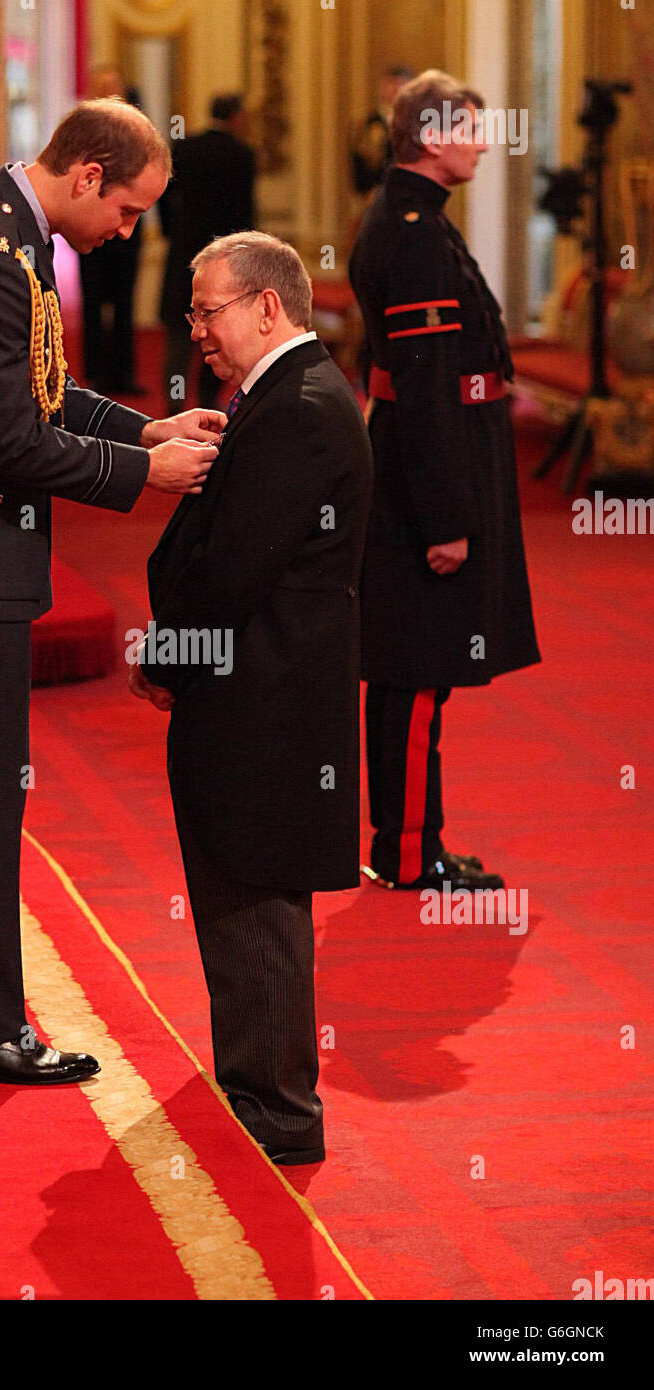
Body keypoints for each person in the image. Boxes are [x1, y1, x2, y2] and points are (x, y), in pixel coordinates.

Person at [0, 98, 222, 1085]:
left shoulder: (0, 227)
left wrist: (145, 430)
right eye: (133, 209)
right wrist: (141, 478)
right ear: (91, 174)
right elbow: (8, 439)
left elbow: (42, 391)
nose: (130, 232)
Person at [130, 232, 373, 1165]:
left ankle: (276, 1109)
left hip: (266, 700)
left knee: (255, 900)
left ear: (267, 307)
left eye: (206, 310)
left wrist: (164, 657)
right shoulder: (282, 395)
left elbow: (232, 571)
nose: (195, 329)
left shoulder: (299, 407)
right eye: (192, 312)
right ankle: (253, 1086)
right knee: (238, 890)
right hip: (258, 691)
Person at [348, 69, 540, 892]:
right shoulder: (416, 232)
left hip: (425, 454)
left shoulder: (410, 218)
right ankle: (406, 851)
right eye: (469, 127)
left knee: (408, 668)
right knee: (418, 670)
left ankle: (406, 843)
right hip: (431, 468)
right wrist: (445, 520)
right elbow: (425, 386)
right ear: (431, 136)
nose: (482, 142)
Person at [158, 94, 256, 409]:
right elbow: (246, 213)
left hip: (183, 253)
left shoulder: (185, 149)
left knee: (178, 334)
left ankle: (174, 404)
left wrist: (168, 230)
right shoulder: (242, 155)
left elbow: (163, 194)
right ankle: (208, 403)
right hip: (224, 257)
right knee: (218, 330)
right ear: (237, 117)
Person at [77, 67, 146, 395]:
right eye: (103, 88)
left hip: (127, 230)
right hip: (90, 225)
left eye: (114, 88)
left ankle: (124, 373)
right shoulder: (83, 132)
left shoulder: (137, 132)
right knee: (93, 303)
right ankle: (96, 374)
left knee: (124, 304)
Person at [350, 64, 415, 196]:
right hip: (377, 196)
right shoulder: (367, 124)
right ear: (382, 88)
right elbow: (360, 164)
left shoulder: (418, 125)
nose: (396, 89)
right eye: (391, 83)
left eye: (401, 84)